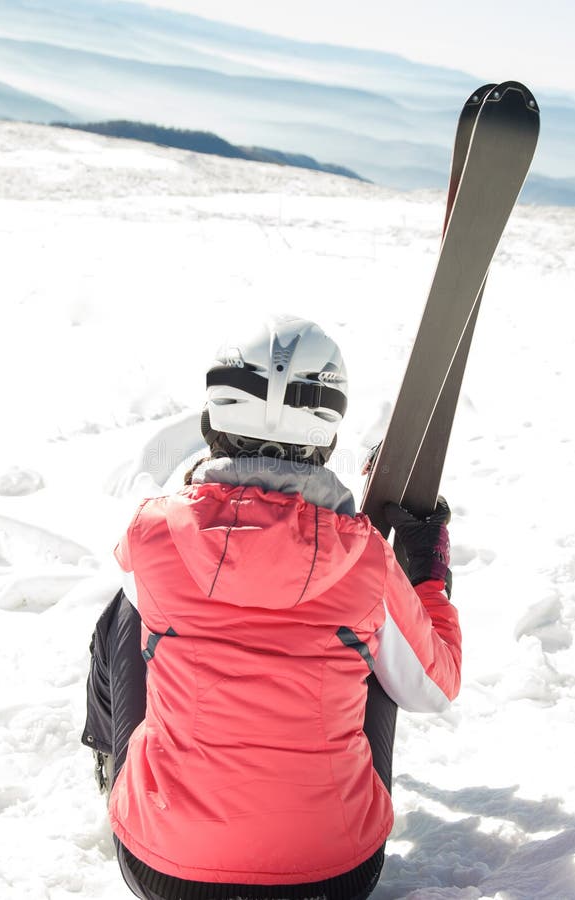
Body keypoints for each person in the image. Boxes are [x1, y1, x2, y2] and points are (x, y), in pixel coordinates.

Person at [82, 315, 461, 900]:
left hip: (164, 869)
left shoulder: (154, 535)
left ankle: (115, 770)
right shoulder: (363, 558)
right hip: (335, 876)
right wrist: (427, 577)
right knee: (379, 638)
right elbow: (433, 690)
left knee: (128, 607)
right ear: (327, 439)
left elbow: (173, 506)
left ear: (212, 423)